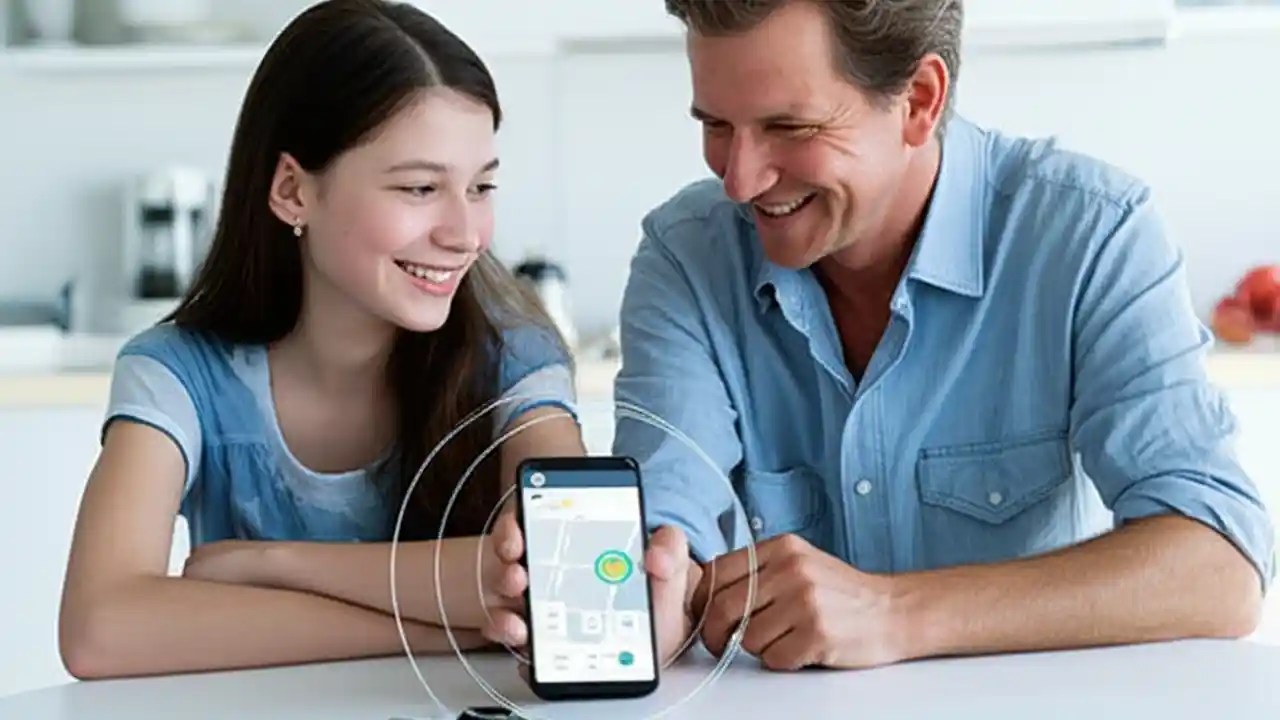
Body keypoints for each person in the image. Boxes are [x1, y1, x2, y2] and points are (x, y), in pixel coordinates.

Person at [488, 0, 1275, 673]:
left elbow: (1219, 566)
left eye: (788, 126)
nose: (740, 179)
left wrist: (895, 614)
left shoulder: (1091, 235)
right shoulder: (686, 256)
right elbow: (667, 522)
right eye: (716, 125)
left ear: (920, 101)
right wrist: (642, 611)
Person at [58, 0, 585, 680]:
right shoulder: (179, 376)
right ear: (292, 191)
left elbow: (563, 576)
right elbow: (100, 631)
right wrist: (435, 623)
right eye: (421, 188)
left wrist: (271, 564)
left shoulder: (514, 359)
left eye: (481, 186)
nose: (466, 234)